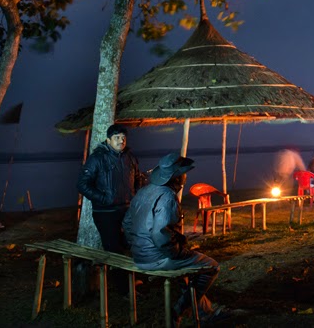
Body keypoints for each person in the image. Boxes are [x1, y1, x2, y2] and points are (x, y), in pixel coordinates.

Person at [122, 153, 224, 325]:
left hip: (139, 255)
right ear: (176, 178)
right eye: (183, 174)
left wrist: (138, 245)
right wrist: (176, 252)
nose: (185, 178)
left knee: (186, 273)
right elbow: (160, 234)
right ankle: (178, 310)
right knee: (211, 266)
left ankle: (205, 311)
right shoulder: (167, 197)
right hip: (158, 258)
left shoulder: (144, 192)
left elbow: (127, 223)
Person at [76, 123, 145, 254]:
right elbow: (82, 184)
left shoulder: (130, 157)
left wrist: (135, 196)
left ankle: (128, 273)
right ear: (108, 140)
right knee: (113, 249)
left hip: (127, 209)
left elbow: (138, 178)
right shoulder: (97, 158)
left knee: (130, 245)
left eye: (123, 137)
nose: (121, 141)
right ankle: (115, 274)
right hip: (105, 212)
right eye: (117, 137)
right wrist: (104, 198)